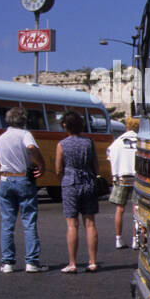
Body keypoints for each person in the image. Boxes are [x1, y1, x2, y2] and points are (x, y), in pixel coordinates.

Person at [0, 108, 46, 273]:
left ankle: (7, 262)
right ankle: (32, 261)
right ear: (23, 121)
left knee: (7, 223)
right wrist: (40, 163)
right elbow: (31, 147)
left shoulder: (1, 138)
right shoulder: (25, 134)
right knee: (29, 221)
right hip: (22, 178)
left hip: (4, 179)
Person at [56, 111, 100, 273]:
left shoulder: (62, 145)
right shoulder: (89, 143)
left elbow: (58, 169)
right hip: (88, 182)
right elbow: (96, 167)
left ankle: (72, 263)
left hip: (70, 183)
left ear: (65, 125)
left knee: (72, 225)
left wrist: (64, 178)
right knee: (90, 223)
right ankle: (93, 261)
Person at [106, 117, 140, 248]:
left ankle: (118, 239)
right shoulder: (141, 141)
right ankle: (135, 239)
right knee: (136, 209)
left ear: (126, 127)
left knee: (119, 209)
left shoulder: (117, 142)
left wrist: (114, 175)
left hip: (122, 176)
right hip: (137, 178)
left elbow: (111, 158)